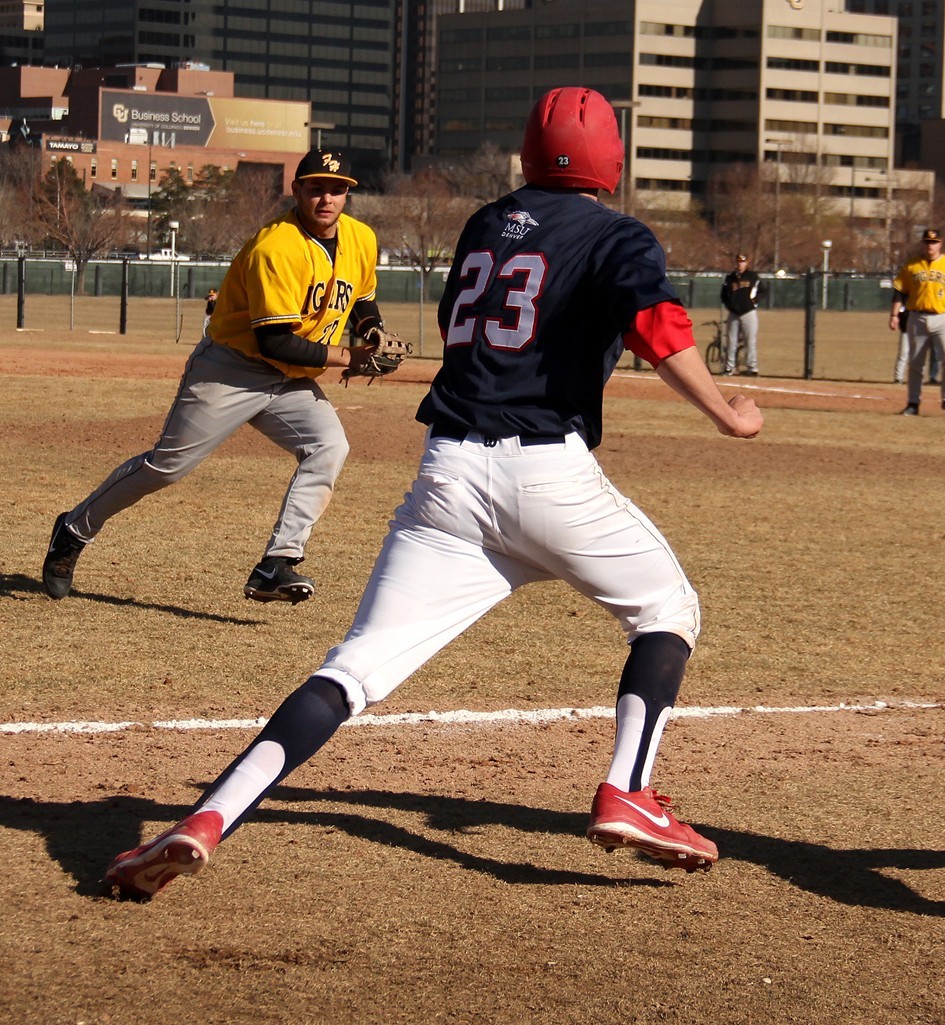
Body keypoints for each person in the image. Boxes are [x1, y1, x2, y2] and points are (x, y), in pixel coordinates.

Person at [101, 87, 764, 900]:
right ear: (610, 160)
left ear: (528, 149)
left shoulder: (488, 222)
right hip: (545, 468)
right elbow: (657, 325)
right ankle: (628, 787)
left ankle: (206, 817)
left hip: (447, 474)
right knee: (667, 611)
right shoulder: (616, 232)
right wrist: (728, 412)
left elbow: (473, 316)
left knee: (353, 669)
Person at [42, 149, 392, 605]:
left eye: (338, 189)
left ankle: (277, 563)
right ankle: (73, 529)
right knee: (167, 468)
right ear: (298, 190)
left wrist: (372, 330)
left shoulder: (361, 238)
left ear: (348, 194)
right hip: (232, 369)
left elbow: (362, 296)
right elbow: (275, 342)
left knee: (329, 446)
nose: (328, 198)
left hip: (289, 380)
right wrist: (351, 357)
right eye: (316, 187)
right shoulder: (277, 247)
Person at [890, 228, 945, 416]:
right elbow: (899, 292)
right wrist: (894, 315)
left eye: (934, 242)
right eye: (927, 242)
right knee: (916, 362)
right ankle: (913, 403)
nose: (930, 245)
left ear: (940, 244)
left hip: (942, 318)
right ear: (922, 244)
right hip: (917, 317)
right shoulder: (911, 265)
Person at [719, 252, 763, 376]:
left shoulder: (752, 276)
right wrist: (730, 305)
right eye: (738, 262)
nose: (740, 264)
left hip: (748, 312)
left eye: (742, 262)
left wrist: (754, 301)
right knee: (731, 342)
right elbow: (723, 295)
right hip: (733, 313)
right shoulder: (730, 278)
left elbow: (763, 291)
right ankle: (729, 368)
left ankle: (752, 368)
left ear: (746, 263)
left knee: (750, 341)